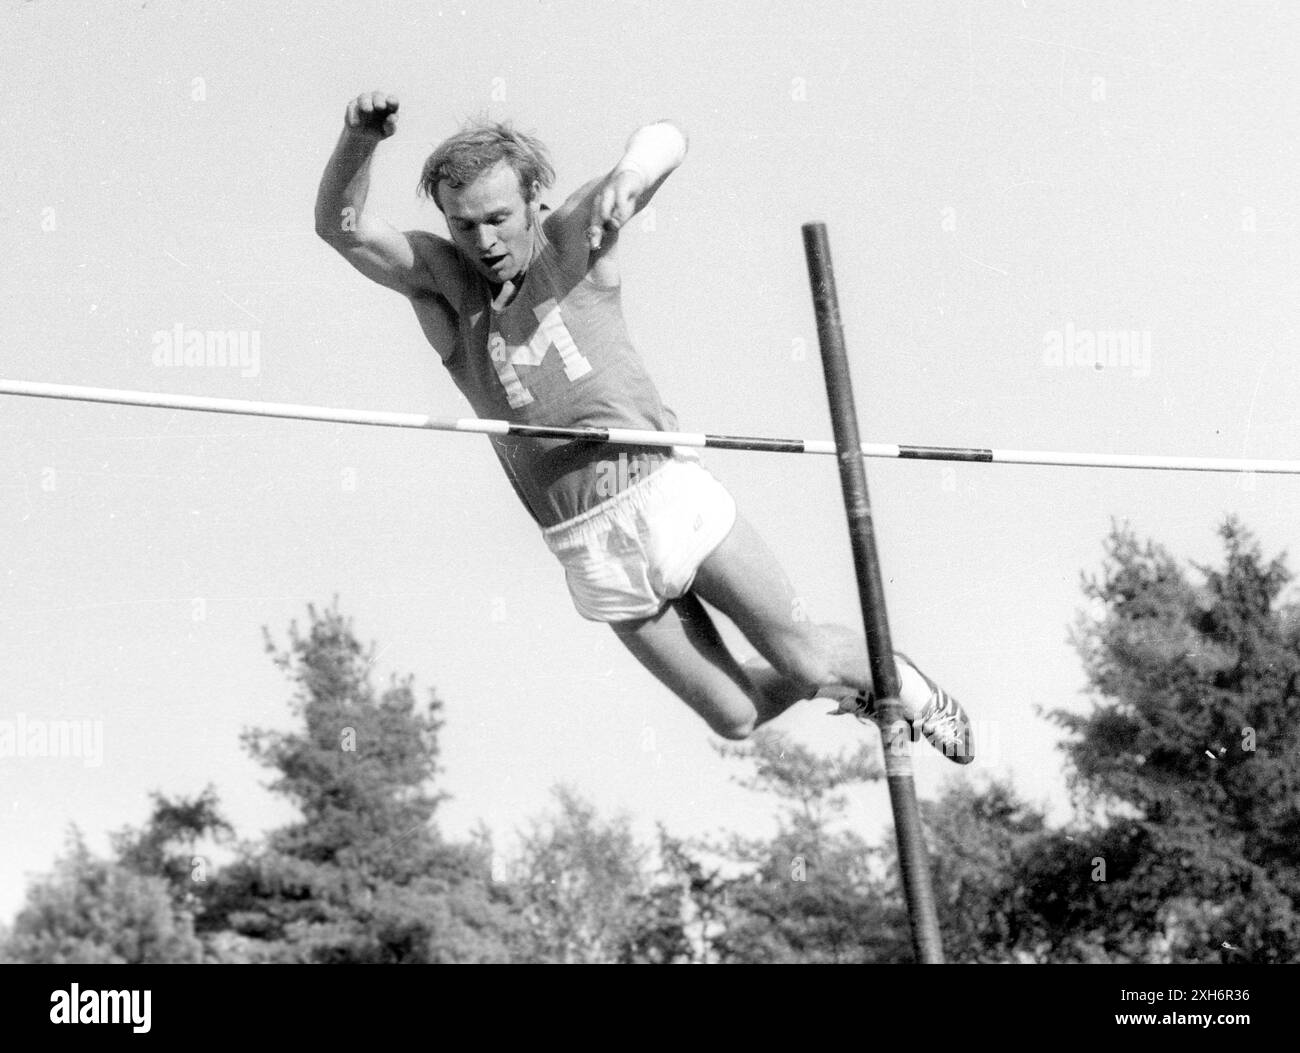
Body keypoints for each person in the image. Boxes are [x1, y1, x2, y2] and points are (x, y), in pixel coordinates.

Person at [314, 91, 973, 763]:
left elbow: (667, 137)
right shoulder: (446, 287)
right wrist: (358, 138)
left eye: (497, 218)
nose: (483, 242)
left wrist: (630, 175)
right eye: (463, 225)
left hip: (663, 494)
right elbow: (341, 229)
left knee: (803, 660)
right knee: (736, 715)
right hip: (585, 543)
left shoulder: (571, 237)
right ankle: (856, 680)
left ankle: (907, 683)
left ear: (532, 201)